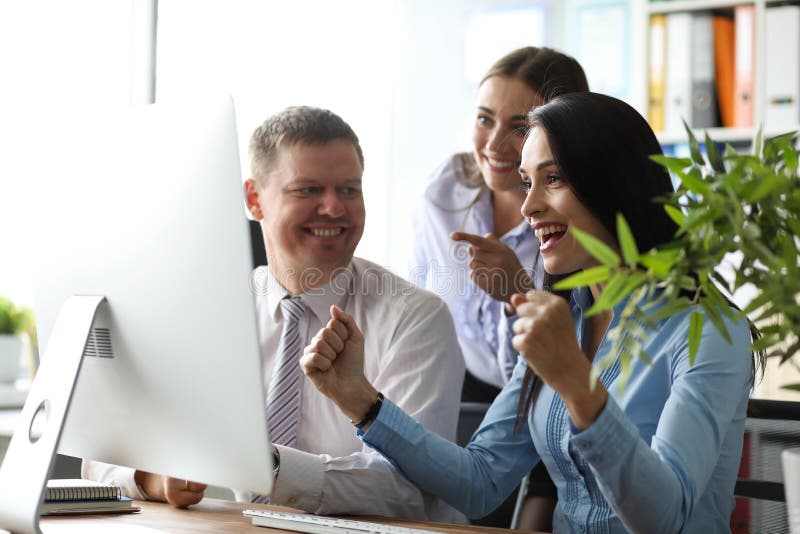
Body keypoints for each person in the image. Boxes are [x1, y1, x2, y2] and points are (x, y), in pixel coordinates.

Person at [302, 93, 762, 532]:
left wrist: (575, 382)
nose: (528, 207)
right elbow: (479, 481)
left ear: (614, 183)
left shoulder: (709, 331)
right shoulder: (565, 319)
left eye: (553, 179)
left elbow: (664, 519)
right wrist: (361, 401)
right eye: (526, 183)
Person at [83, 106, 466, 522]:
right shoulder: (213, 311)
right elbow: (102, 456)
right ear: (254, 199)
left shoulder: (416, 320)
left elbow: (408, 489)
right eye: (308, 190)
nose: (334, 208)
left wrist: (270, 467)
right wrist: (156, 478)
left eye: (350, 190)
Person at [409, 46, 589, 402]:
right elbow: (416, 301)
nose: (493, 144)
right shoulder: (443, 193)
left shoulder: (581, 221)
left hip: (545, 399)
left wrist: (517, 292)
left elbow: (566, 367)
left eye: (519, 127)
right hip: (455, 388)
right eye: (484, 119)